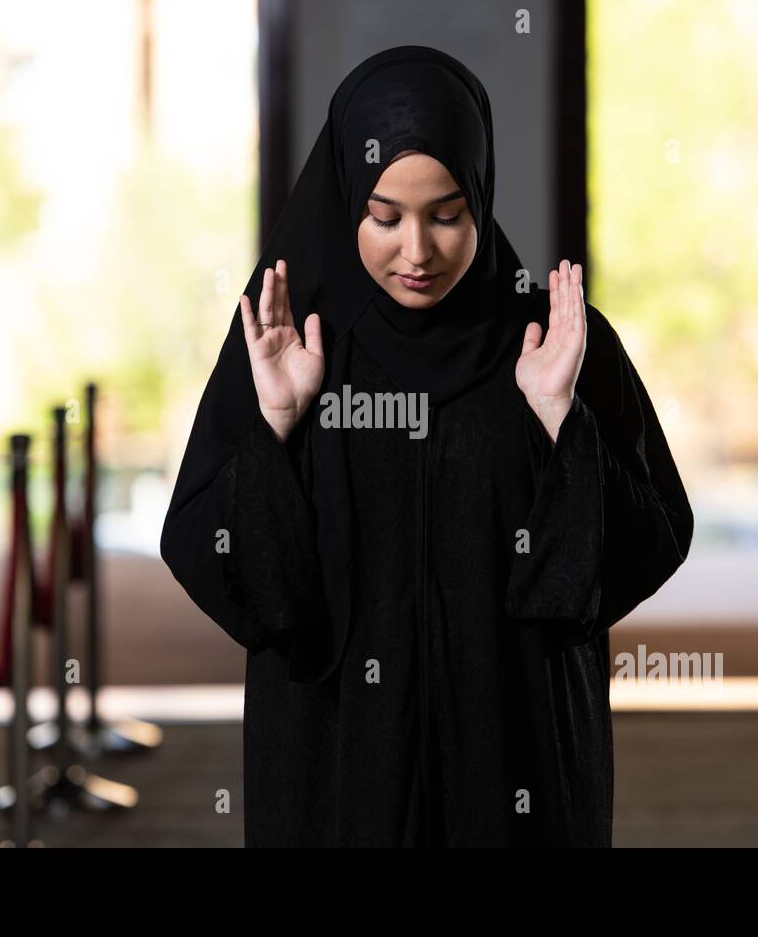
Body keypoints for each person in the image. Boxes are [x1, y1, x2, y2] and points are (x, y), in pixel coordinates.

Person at [160, 45, 693, 847]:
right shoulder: (291, 342)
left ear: (481, 196)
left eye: (447, 215)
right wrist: (273, 430)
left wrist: (560, 422)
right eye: (385, 217)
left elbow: (651, 537)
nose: (418, 251)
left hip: (515, 760)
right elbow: (216, 560)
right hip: (338, 761)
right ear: (347, 200)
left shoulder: (551, 338)